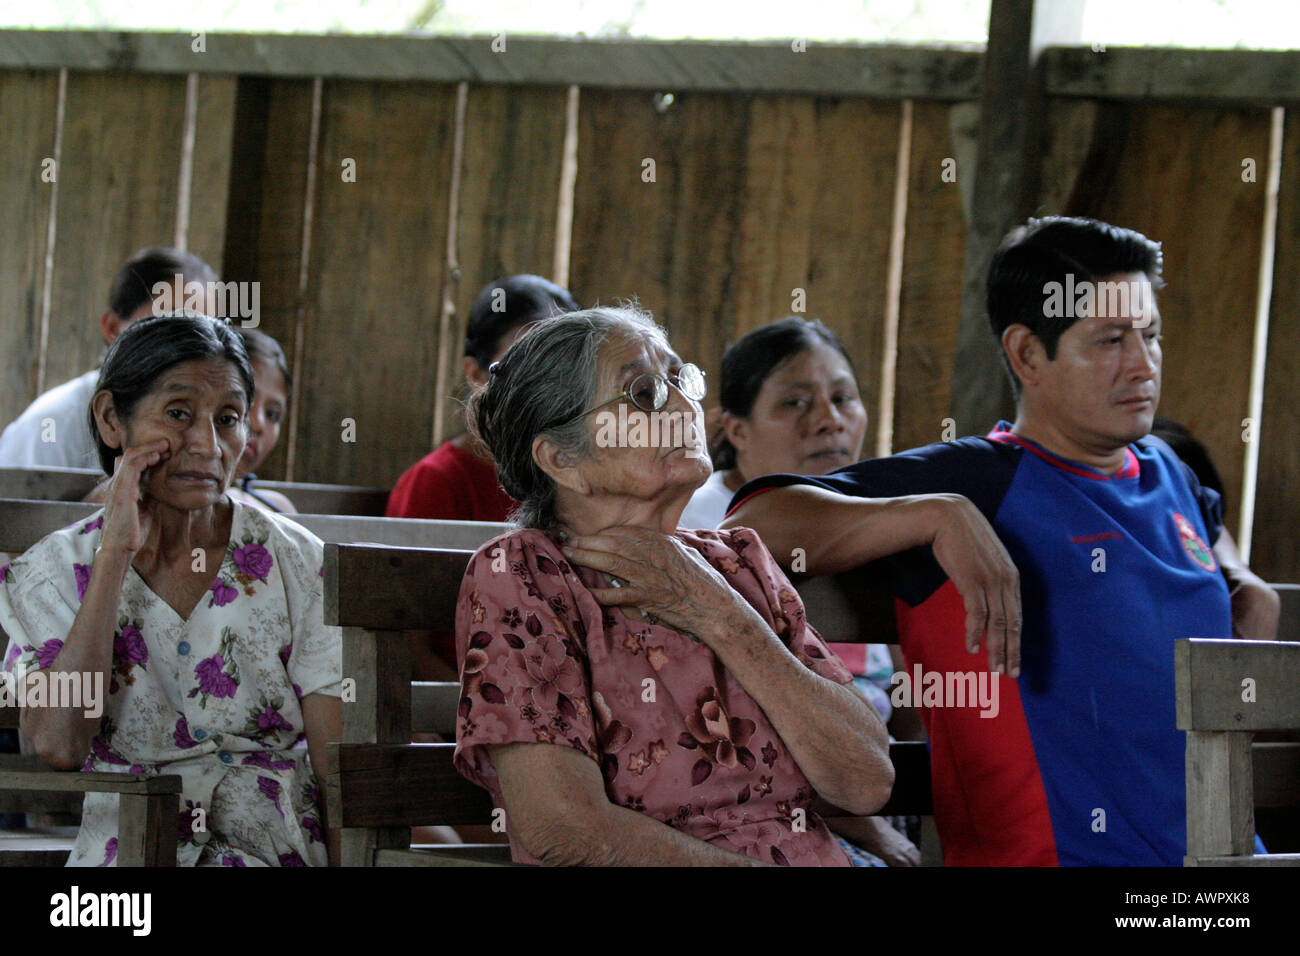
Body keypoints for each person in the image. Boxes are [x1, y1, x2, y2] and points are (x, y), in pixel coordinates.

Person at [726, 216, 1279, 866]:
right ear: (1026, 354)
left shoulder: (1168, 472)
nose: (1143, 363)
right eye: (1110, 340)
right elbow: (754, 522)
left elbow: (1209, 527)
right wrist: (937, 515)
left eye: (1150, 335)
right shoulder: (979, 479)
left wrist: (1239, 577)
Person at [451, 305, 1017, 865]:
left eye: (681, 379)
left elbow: (865, 779)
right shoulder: (524, 575)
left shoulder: (736, 563)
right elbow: (567, 831)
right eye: (644, 393)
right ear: (562, 459)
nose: (683, 406)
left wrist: (722, 614)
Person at [0, 314, 342, 866]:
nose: (207, 445)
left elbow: (336, 770)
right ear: (112, 419)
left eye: (228, 419)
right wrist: (113, 557)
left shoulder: (296, 562)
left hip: (274, 852)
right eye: (179, 414)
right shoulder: (53, 572)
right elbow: (61, 744)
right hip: (130, 857)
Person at [681, 315, 919, 866]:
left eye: (843, 398)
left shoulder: (871, 525)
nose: (829, 421)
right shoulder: (698, 531)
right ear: (736, 430)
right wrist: (874, 833)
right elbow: (732, 728)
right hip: (757, 814)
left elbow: (911, 705)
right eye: (795, 403)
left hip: (873, 792)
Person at [0, 248, 218, 470]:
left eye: (206, 331)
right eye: (168, 325)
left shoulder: (213, 430)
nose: (189, 347)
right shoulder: (54, 424)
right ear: (112, 327)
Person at [386, 274, 579, 523]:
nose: (546, 380)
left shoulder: (586, 478)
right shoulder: (436, 482)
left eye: (563, 364)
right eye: (523, 363)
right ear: (476, 373)